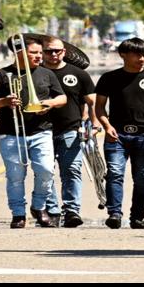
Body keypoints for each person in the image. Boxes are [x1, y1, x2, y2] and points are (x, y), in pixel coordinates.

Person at [0, 34, 67, 228]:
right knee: (15, 176)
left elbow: (62, 98)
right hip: (11, 134)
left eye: (40, 52)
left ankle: (39, 206)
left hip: (41, 132)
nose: (39, 56)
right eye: (33, 53)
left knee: (46, 171)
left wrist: (50, 103)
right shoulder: (1, 75)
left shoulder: (46, 74)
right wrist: (4, 102)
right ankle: (18, 213)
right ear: (19, 52)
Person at [92, 37, 144, 229]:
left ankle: (137, 216)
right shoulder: (109, 78)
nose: (142, 58)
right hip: (116, 134)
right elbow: (100, 108)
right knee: (115, 174)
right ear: (123, 55)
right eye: (137, 54)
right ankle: (115, 214)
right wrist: (106, 125)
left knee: (142, 177)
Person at [41, 38, 95, 228]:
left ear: (64, 52)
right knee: (45, 172)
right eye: (48, 51)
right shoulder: (34, 73)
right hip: (41, 131)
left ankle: (72, 210)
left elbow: (91, 101)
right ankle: (52, 211)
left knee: (71, 170)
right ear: (42, 52)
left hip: (70, 129)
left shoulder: (78, 74)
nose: (53, 54)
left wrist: (93, 125)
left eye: (57, 51)